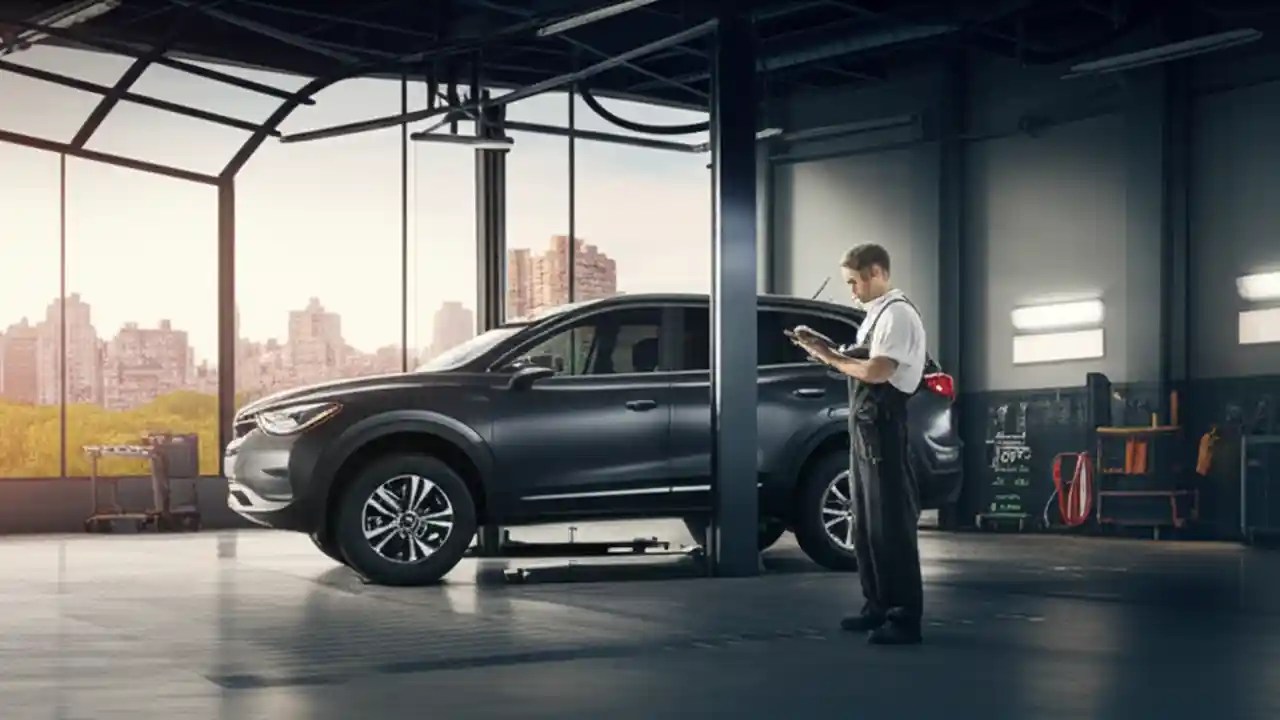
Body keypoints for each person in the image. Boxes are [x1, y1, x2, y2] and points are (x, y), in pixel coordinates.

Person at [789, 243, 928, 645]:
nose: (851, 290)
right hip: (865, 427)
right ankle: (878, 607)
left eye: (854, 281)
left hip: (884, 425)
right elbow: (862, 360)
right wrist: (822, 346)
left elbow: (877, 370)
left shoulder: (898, 315)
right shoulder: (875, 316)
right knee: (866, 524)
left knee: (891, 526)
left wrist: (830, 359)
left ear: (877, 273)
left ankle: (904, 618)